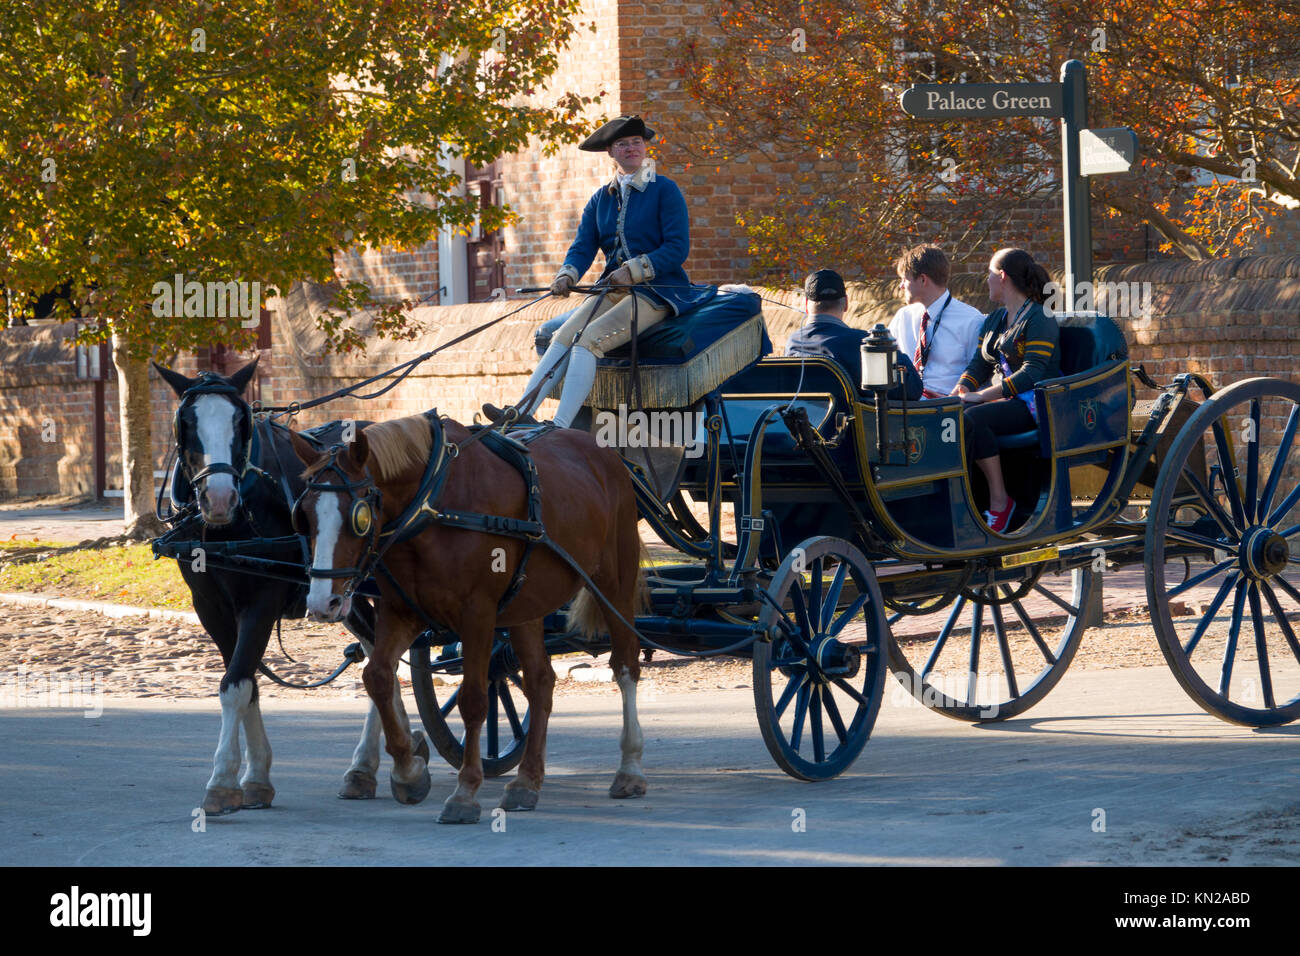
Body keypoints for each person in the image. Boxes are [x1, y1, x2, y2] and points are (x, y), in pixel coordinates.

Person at [483, 115, 711, 428]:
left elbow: (676, 248)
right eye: (622, 144)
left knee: (588, 340)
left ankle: (561, 425)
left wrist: (633, 271)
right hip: (613, 290)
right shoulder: (601, 199)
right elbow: (583, 245)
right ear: (611, 153)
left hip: (657, 292)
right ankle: (522, 412)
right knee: (562, 336)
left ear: (644, 147)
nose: (631, 148)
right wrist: (567, 275)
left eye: (636, 142)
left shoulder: (665, 191)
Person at [953, 248, 1061, 533]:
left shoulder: (1039, 318)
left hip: (1037, 402)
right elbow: (978, 365)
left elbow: (1032, 373)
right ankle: (969, 500)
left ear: (1002, 277)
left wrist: (981, 396)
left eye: (989, 274)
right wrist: (962, 389)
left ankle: (1001, 502)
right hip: (1007, 400)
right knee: (954, 415)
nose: (985, 281)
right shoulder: (995, 320)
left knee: (973, 418)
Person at [786, 269, 921, 400]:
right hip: (849, 422)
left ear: (806, 304)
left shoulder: (792, 344)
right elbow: (912, 389)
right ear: (846, 303)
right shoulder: (862, 343)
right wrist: (893, 349)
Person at [888, 244, 986, 399]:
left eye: (904, 279)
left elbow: (981, 375)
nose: (900, 286)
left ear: (922, 279)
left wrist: (954, 399)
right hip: (905, 406)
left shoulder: (971, 320)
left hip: (948, 409)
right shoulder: (903, 317)